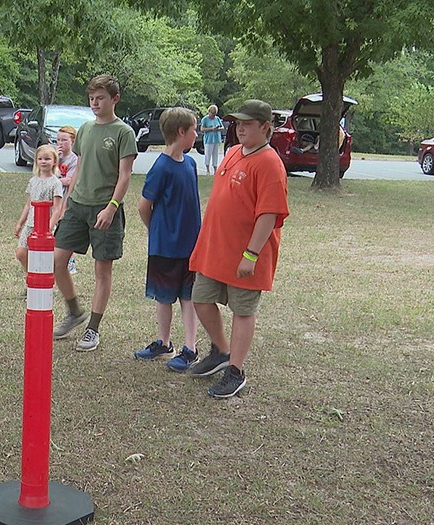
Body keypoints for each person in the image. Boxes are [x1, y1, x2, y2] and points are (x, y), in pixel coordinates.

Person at [187, 99, 290, 398]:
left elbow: (268, 214)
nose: (240, 128)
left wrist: (251, 254)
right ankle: (221, 351)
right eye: (238, 123)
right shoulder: (232, 152)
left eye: (247, 123)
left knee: (242, 310)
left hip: (245, 253)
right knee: (201, 298)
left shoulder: (270, 163)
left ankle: (237, 370)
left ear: (265, 127)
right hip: (215, 248)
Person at [52, 74, 137, 352]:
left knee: (103, 271)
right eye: (91, 98)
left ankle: (93, 329)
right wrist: (65, 205)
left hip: (105, 208)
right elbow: (79, 167)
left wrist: (111, 208)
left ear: (115, 99)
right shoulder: (86, 129)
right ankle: (75, 311)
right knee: (57, 261)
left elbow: (125, 176)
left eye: (100, 98)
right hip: (77, 205)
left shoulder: (123, 132)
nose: (95, 103)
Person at [133, 107, 202, 372]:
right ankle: (163, 341)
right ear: (181, 132)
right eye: (193, 130)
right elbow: (143, 205)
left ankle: (190, 348)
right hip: (164, 247)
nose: (196, 134)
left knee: (189, 296)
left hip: (189, 246)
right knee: (164, 297)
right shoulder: (161, 167)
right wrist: (156, 230)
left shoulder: (191, 164)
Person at [14, 144, 62, 270]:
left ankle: (43, 276)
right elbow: (28, 204)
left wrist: (49, 227)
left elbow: (57, 209)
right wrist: (20, 223)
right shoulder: (33, 181)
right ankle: (31, 275)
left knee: (43, 255)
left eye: (47, 159)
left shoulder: (56, 183)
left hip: (45, 226)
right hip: (30, 224)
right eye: (40, 159)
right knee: (21, 253)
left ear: (54, 161)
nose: (43, 162)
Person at [53, 125, 79, 275]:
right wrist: (55, 160)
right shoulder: (54, 157)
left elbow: (71, 180)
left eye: (64, 140)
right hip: (54, 198)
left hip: (66, 198)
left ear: (72, 141)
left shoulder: (74, 159)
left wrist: (55, 180)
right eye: (58, 140)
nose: (60, 143)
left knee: (63, 231)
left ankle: (70, 262)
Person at [199, 104, 225, 175]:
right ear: (209, 112)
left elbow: (222, 128)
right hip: (209, 139)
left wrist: (217, 128)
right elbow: (202, 129)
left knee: (215, 154)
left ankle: (215, 170)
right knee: (208, 154)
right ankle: (207, 170)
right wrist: (211, 129)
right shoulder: (205, 119)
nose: (213, 115)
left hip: (216, 139)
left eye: (214, 114)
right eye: (212, 113)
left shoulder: (217, 119)